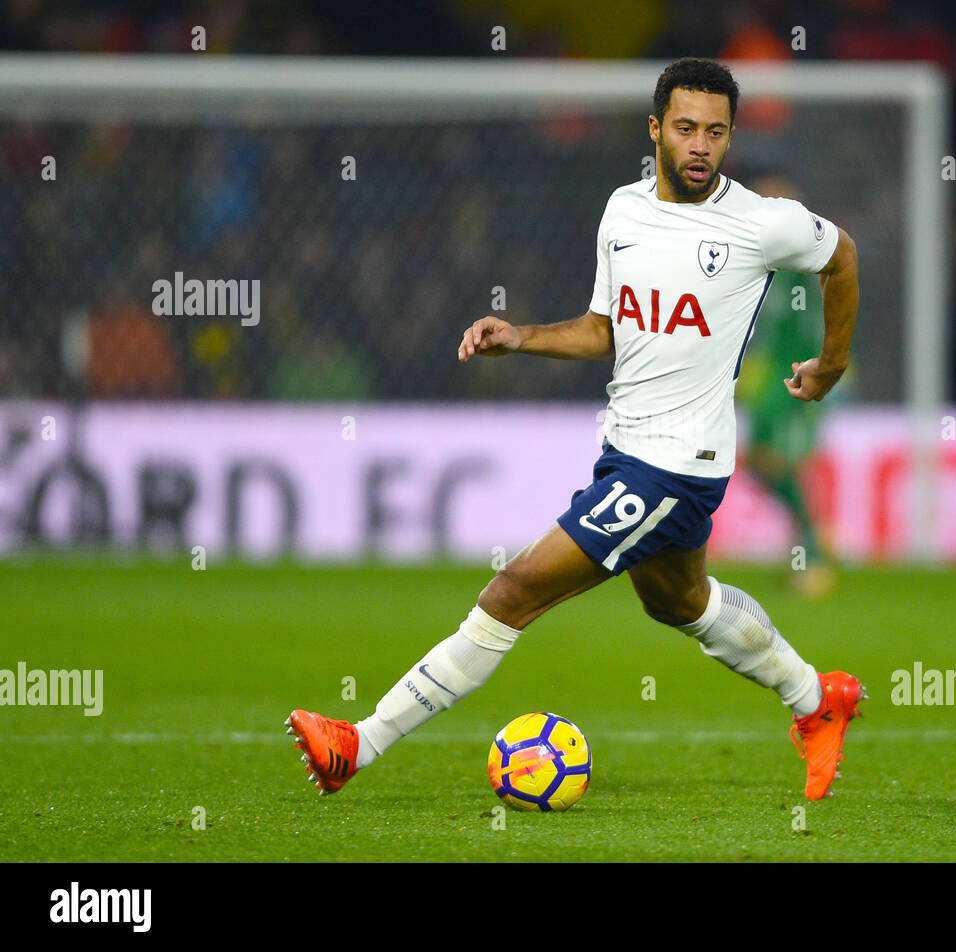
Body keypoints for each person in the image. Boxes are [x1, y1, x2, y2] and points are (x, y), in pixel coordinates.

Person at [287, 57, 864, 801]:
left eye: (715, 133)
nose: (699, 146)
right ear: (655, 129)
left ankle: (357, 746)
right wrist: (521, 336)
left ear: (729, 138)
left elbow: (841, 256)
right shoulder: (622, 211)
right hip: (625, 450)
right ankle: (820, 700)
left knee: (516, 586)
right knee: (678, 602)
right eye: (685, 128)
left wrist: (831, 364)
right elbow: (603, 330)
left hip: (678, 466)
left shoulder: (759, 222)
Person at [737, 174, 844, 598]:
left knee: (784, 463)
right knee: (762, 463)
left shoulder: (802, 264)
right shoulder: (758, 262)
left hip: (792, 377)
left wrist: (818, 374)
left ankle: (813, 559)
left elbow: (812, 322)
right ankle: (811, 543)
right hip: (765, 384)